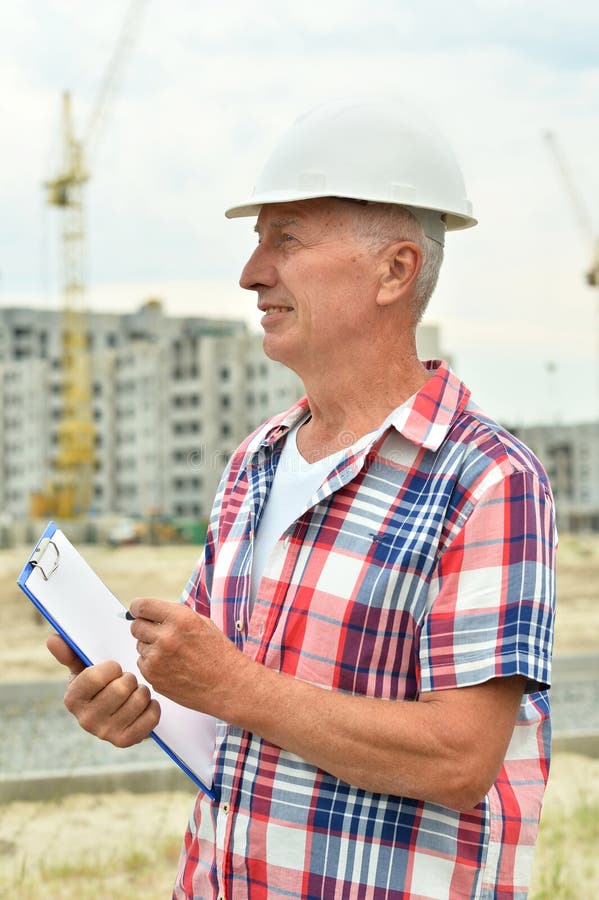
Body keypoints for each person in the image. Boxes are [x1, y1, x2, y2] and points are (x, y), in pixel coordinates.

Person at [48, 98, 556, 899]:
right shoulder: (255, 459)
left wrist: (230, 686)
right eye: (257, 242)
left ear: (395, 270)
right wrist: (139, 693)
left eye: (284, 238)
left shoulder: (489, 478)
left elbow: (459, 759)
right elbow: (219, 700)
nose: (251, 273)